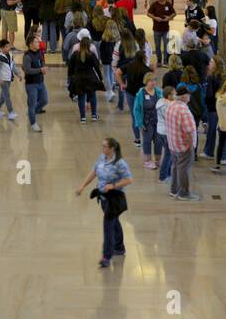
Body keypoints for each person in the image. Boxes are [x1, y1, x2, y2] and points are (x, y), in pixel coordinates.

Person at [75, 137, 133, 267]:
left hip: (114, 198)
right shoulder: (102, 158)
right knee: (114, 221)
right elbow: (94, 172)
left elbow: (129, 180)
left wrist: (113, 185)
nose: (103, 148)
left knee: (108, 225)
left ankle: (106, 256)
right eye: (102, 146)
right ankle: (119, 247)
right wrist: (82, 186)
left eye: (105, 146)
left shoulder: (120, 163)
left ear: (112, 148)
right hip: (103, 198)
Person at [166, 84, 200, 201]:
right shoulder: (184, 110)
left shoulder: (171, 105)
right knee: (183, 169)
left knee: (175, 166)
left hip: (173, 143)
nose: (190, 96)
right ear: (184, 96)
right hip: (183, 146)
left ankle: (174, 189)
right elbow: (190, 131)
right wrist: (191, 147)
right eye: (189, 94)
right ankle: (183, 193)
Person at [67, 36, 105, 123]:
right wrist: (101, 78)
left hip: (79, 79)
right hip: (91, 79)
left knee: (81, 97)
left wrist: (71, 77)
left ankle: (83, 117)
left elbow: (70, 67)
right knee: (92, 96)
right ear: (89, 45)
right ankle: (94, 115)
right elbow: (97, 67)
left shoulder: (75, 55)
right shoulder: (91, 55)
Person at [133, 73, 163, 169]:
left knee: (158, 141)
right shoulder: (141, 93)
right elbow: (136, 109)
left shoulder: (158, 92)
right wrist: (139, 123)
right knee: (147, 141)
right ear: (146, 82)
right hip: (146, 122)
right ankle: (148, 161)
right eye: (151, 81)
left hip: (158, 122)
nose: (153, 83)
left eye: (154, 80)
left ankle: (158, 160)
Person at [21, 35, 47, 132]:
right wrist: (40, 70)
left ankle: (31, 112)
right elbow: (27, 70)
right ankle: (33, 123)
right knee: (32, 104)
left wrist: (44, 67)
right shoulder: (27, 56)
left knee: (45, 100)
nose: (38, 44)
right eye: (36, 42)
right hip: (31, 84)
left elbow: (42, 61)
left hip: (41, 82)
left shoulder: (39, 52)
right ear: (31, 44)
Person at [0, 39, 20, 121]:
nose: (9, 48)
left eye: (9, 46)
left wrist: (18, 74)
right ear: (2, 48)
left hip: (9, 79)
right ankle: (11, 112)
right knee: (7, 96)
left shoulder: (10, 55)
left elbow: (13, 65)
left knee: (3, 95)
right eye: (7, 47)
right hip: (3, 80)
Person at [147, 0, 174, 66]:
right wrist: (155, 18)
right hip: (156, 29)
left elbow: (174, 13)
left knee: (166, 46)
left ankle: (165, 61)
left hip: (166, 29)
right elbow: (148, 13)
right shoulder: (154, 4)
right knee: (157, 46)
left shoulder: (168, 4)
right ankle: (159, 61)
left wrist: (169, 18)